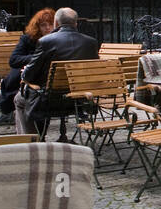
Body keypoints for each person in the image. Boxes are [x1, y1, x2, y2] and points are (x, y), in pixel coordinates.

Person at [14, 7, 99, 136]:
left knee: (19, 99)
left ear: (56, 23)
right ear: (76, 23)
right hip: (79, 101)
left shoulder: (45, 42)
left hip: (48, 101)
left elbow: (28, 76)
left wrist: (26, 73)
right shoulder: (91, 42)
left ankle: (32, 140)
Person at [0, 7, 55, 118]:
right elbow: (14, 60)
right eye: (43, 25)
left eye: (51, 24)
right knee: (18, 74)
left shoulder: (57, 39)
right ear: (38, 27)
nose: (48, 28)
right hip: (26, 75)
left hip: (48, 78)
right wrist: (36, 58)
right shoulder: (28, 39)